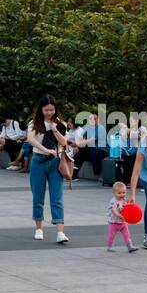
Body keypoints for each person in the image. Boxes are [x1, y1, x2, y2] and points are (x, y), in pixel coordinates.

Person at [26, 96, 70, 242]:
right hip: (38, 161)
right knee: (38, 197)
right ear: (41, 109)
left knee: (57, 198)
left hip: (55, 162)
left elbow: (64, 142)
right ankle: (39, 228)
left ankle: (60, 232)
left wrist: (55, 130)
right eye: (46, 110)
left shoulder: (61, 123)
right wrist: (45, 149)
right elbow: (31, 140)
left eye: (52, 109)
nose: (49, 112)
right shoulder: (35, 123)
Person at [105, 181, 138, 252]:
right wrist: (118, 215)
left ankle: (130, 246)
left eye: (124, 192)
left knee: (127, 235)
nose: (122, 194)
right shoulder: (113, 201)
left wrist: (131, 205)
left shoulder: (125, 200)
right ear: (114, 193)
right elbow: (114, 210)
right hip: (113, 222)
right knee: (111, 235)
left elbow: (128, 207)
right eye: (119, 193)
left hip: (123, 222)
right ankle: (110, 246)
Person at [75, 113, 108, 181]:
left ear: (98, 120)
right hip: (92, 148)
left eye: (95, 119)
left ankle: (97, 173)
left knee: (93, 151)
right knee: (80, 150)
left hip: (102, 150)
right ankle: (74, 174)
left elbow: (92, 139)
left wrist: (82, 142)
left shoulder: (101, 128)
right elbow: (81, 137)